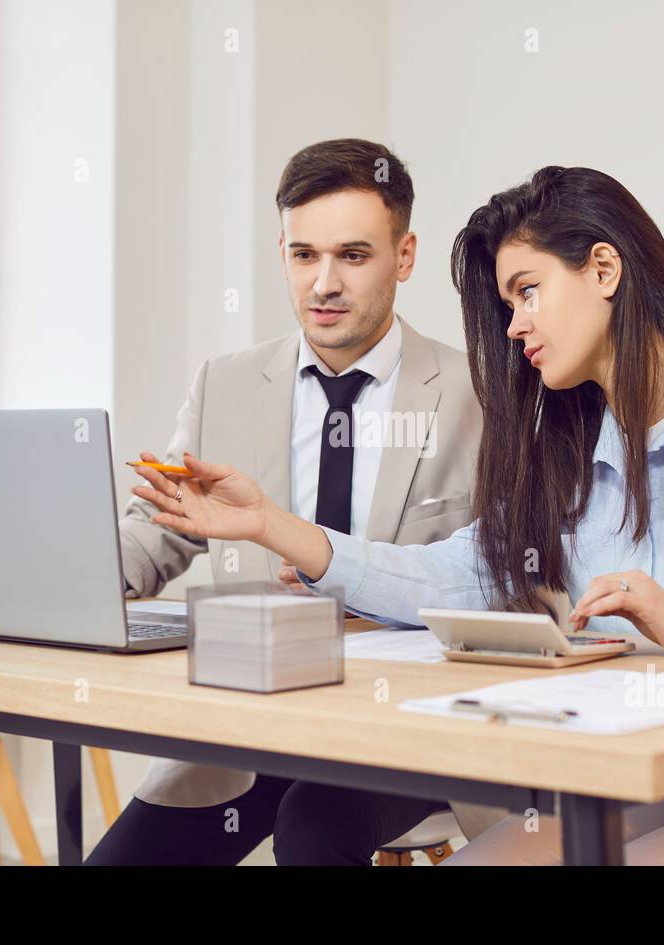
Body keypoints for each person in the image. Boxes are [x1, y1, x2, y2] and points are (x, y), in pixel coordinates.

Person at [125, 165, 664, 865]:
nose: (517, 325)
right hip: (633, 789)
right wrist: (269, 522)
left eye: (528, 292)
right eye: (507, 306)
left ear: (604, 270)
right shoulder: (571, 456)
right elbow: (450, 572)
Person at [86, 139, 494, 866]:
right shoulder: (227, 384)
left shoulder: (481, 394)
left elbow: (508, 583)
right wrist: (65, 577)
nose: (324, 284)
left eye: (353, 256)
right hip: (256, 724)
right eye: (304, 255)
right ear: (281, 252)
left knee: (314, 826)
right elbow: (156, 532)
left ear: (405, 256)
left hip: (410, 728)